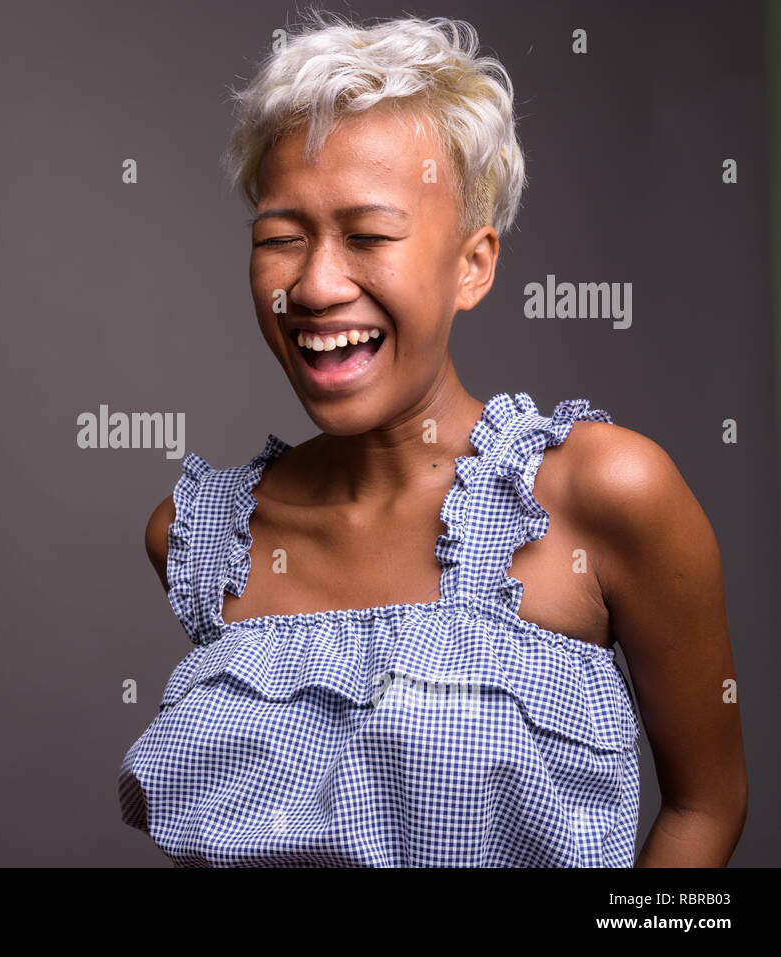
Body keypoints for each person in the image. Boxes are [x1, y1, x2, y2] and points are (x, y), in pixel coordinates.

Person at [118, 9, 746, 867]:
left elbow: (706, 807)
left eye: (369, 235)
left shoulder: (603, 493)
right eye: (280, 240)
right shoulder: (201, 541)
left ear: (472, 265)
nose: (315, 284)